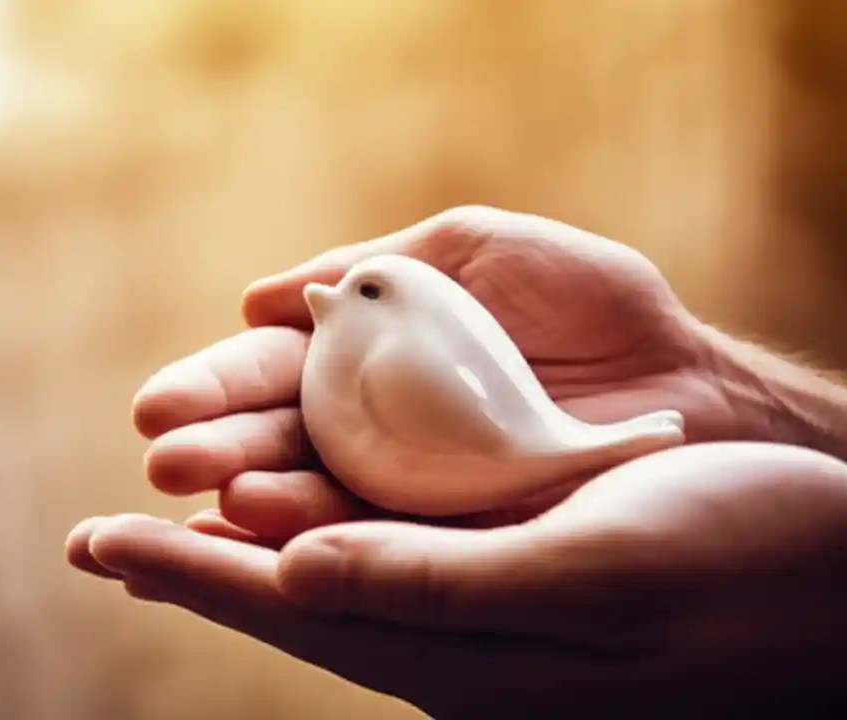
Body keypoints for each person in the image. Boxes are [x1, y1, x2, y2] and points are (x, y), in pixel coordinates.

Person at [66, 205, 847, 718]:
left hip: (525, 451)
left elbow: (486, 431)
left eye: (363, 290)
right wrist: (745, 399)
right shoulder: (379, 345)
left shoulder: (392, 362)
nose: (327, 300)